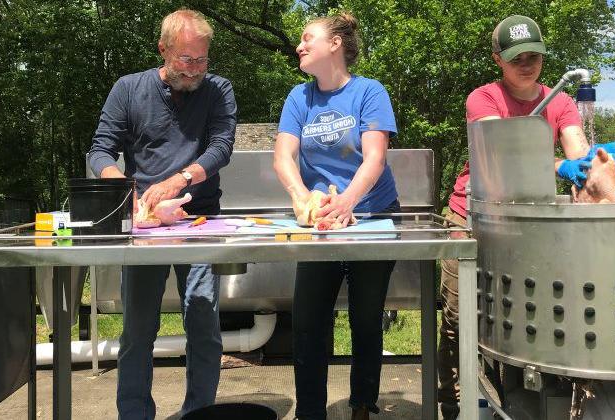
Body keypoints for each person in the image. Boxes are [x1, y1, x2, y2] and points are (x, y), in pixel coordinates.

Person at [437, 15, 615, 419]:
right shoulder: (484, 98)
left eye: (534, 56)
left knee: (526, 310)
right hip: (471, 214)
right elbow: (506, 156)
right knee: (460, 317)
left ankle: (515, 393)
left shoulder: (560, 101)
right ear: (498, 59)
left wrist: (598, 164)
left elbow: (577, 150)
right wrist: (561, 167)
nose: (526, 64)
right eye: (516, 57)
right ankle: (452, 397)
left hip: (528, 220)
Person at [87, 9, 237, 419]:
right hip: (144, 223)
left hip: (200, 219)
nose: (195, 70)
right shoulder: (128, 88)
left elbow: (222, 147)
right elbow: (100, 149)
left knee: (203, 322)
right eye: (186, 60)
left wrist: (180, 179)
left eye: (202, 60)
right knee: (137, 330)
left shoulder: (218, 90)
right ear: (163, 49)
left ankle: (199, 412)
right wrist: (127, 191)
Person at [273, 12, 399, 420]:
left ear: (335, 44)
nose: (299, 45)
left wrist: (346, 203)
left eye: (308, 38)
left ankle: (362, 407)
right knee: (308, 325)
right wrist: (300, 197)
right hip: (320, 225)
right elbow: (283, 156)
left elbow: (375, 157)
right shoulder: (299, 97)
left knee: (366, 321)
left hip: (371, 215)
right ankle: (311, 413)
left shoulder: (369, 92)